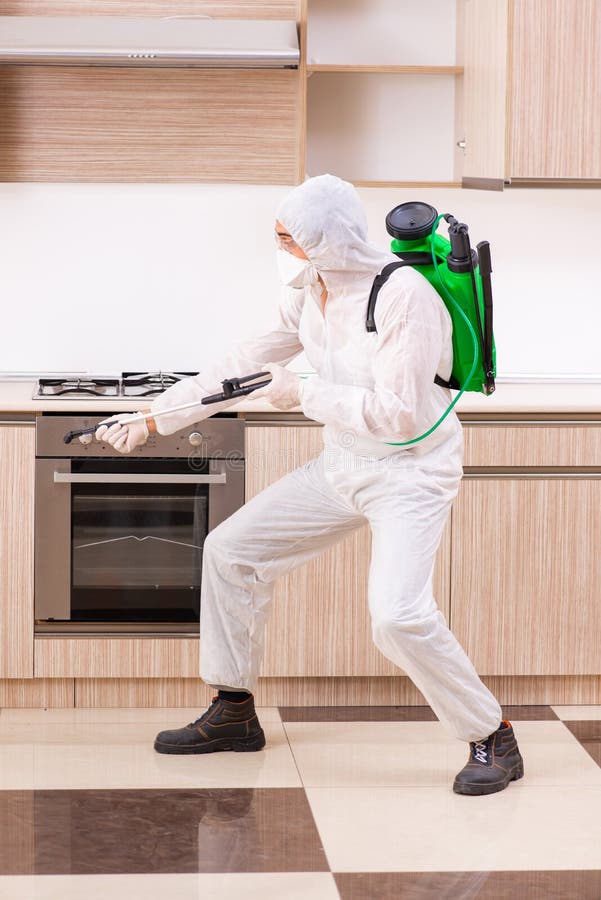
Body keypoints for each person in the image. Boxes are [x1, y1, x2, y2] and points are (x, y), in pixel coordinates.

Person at [95, 174, 523, 796]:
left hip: (410, 471)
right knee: (232, 551)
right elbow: (240, 364)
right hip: (342, 464)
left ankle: (493, 734)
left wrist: (304, 392)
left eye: (288, 237)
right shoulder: (311, 288)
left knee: (397, 617)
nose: (282, 247)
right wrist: (153, 417)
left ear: (328, 238)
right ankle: (234, 713)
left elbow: (401, 415)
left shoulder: (402, 296)